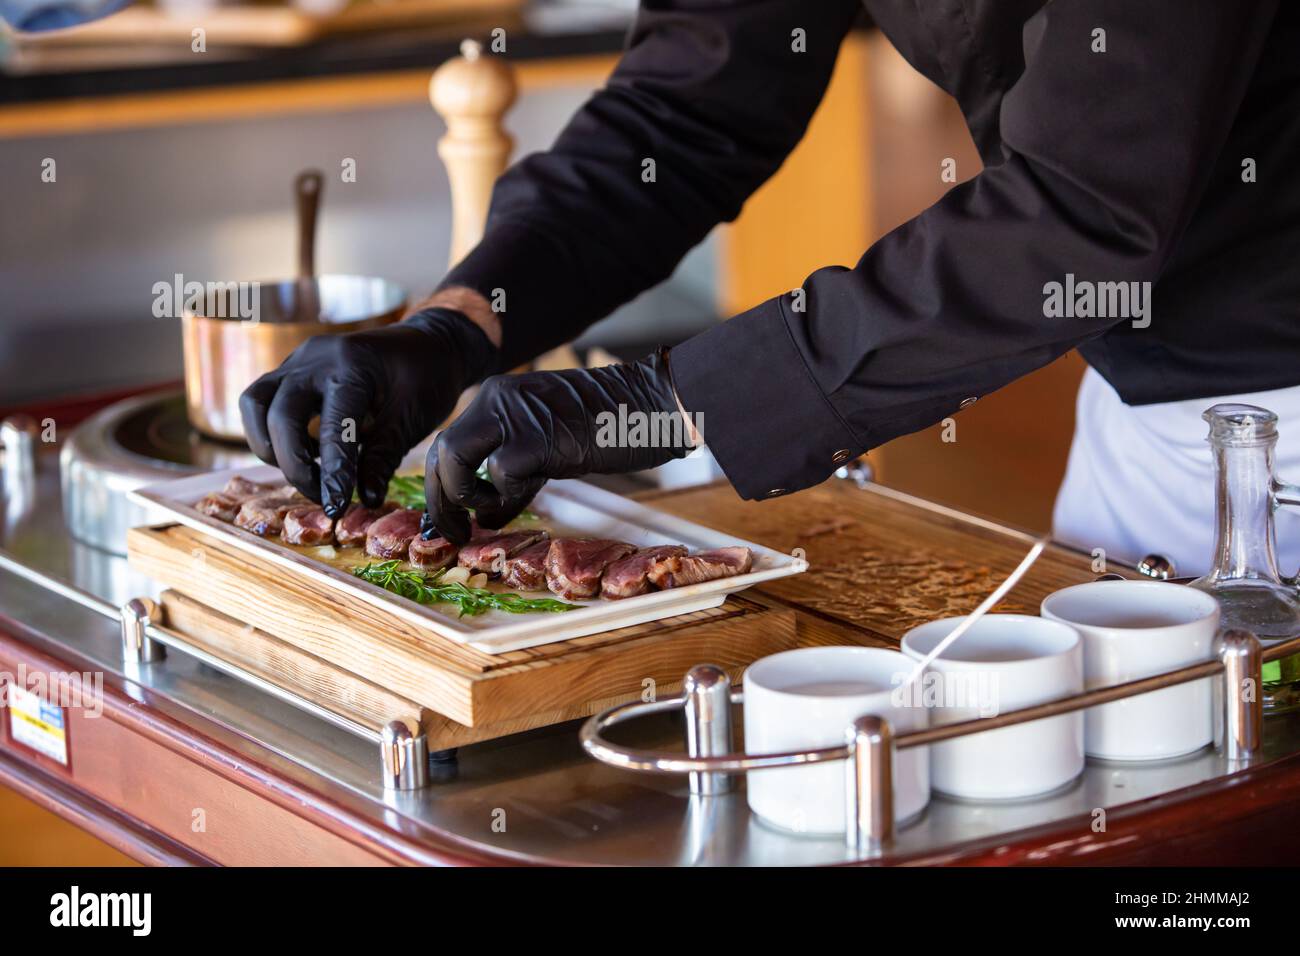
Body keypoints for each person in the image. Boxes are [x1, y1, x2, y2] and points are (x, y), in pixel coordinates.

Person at [15, 1, 1297, 573]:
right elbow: (690, 104)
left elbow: (1081, 214)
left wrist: (664, 400)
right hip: (1147, 417)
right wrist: (457, 324)